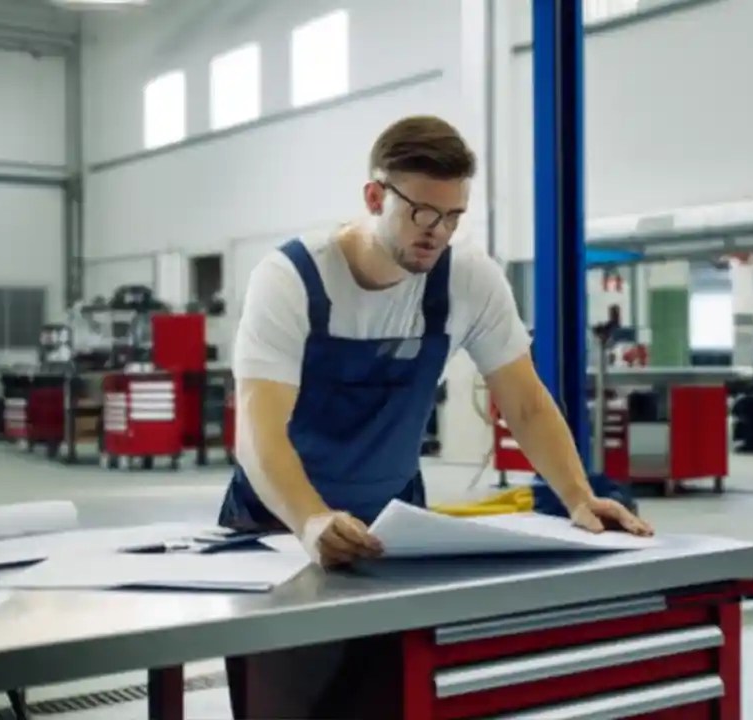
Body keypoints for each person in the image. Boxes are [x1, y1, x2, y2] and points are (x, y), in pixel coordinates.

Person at [216, 115, 652, 718]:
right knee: (289, 706)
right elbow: (257, 435)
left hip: (393, 529)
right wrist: (310, 520)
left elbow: (524, 400)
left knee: (395, 698)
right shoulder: (291, 279)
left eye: (453, 217)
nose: (438, 233)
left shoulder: (468, 279)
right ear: (375, 197)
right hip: (276, 524)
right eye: (423, 213)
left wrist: (578, 496)